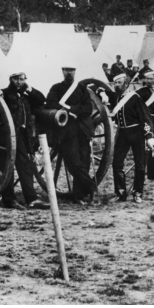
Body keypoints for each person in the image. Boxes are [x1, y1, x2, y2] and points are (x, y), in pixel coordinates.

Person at [98, 73, 154, 203]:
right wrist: (102, 94)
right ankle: (120, 194)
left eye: (119, 83)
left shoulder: (135, 98)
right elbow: (99, 88)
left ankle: (138, 193)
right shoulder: (115, 97)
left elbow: (145, 117)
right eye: (115, 83)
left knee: (140, 164)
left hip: (137, 133)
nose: (116, 85)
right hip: (122, 134)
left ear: (126, 84)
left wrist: (149, 136)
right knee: (117, 163)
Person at [46, 67, 98, 205]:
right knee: (74, 163)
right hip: (67, 130)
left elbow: (88, 108)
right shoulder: (56, 88)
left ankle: (78, 195)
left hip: (83, 130)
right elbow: (50, 104)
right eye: (66, 70)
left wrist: (72, 109)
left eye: (72, 70)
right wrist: (67, 111)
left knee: (84, 161)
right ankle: (92, 187)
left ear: (75, 72)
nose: (69, 73)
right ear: (62, 71)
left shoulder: (82, 89)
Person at [0, 72, 49, 209]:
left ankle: (31, 199)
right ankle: (8, 199)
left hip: (21, 136)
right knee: (7, 166)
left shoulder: (26, 96)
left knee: (25, 165)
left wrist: (30, 89)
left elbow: (41, 99)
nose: (19, 82)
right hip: (5, 136)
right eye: (16, 79)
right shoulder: (3, 94)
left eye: (21, 79)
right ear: (10, 79)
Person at [135, 69, 154, 181]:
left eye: (151, 78)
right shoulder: (141, 92)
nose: (149, 80)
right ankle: (142, 173)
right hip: (147, 120)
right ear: (144, 79)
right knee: (146, 148)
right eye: (147, 78)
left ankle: (152, 174)